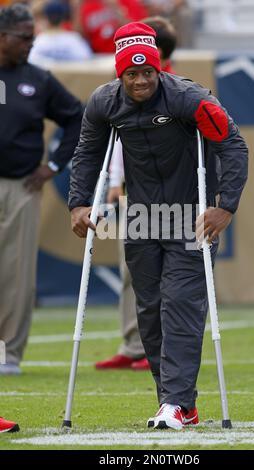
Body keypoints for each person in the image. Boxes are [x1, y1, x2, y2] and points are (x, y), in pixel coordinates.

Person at [69, 22, 248, 429]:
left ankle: (176, 403)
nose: (141, 80)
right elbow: (88, 152)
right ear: (119, 74)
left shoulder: (189, 98)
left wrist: (226, 206)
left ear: (158, 68)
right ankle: (175, 401)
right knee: (148, 311)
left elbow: (232, 143)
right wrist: (79, 203)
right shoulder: (104, 103)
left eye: (147, 71)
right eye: (131, 74)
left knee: (180, 305)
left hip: (190, 216)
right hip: (141, 218)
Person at [0, 3, 83, 375]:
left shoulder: (38, 80)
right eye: (23, 38)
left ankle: (7, 354)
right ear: (2, 37)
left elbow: (77, 116)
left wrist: (53, 166)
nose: (30, 45)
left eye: (32, 38)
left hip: (21, 186)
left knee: (16, 274)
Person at [94, 16, 177, 371]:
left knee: (172, 273)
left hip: (172, 194)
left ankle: (164, 348)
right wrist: (114, 181)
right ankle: (134, 344)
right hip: (131, 190)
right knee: (133, 269)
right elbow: (117, 141)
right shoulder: (122, 89)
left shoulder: (176, 90)